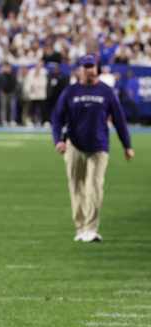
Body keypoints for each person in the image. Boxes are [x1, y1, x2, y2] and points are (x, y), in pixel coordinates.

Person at [51, 54, 135, 243]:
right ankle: (80, 227)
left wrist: (127, 145)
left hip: (99, 146)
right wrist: (58, 140)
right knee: (76, 187)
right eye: (86, 66)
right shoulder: (70, 92)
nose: (89, 70)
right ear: (79, 70)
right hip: (74, 145)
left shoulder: (106, 92)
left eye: (92, 66)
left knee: (94, 187)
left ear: (97, 68)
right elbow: (57, 118)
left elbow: (119, 119)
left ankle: (91, 228)